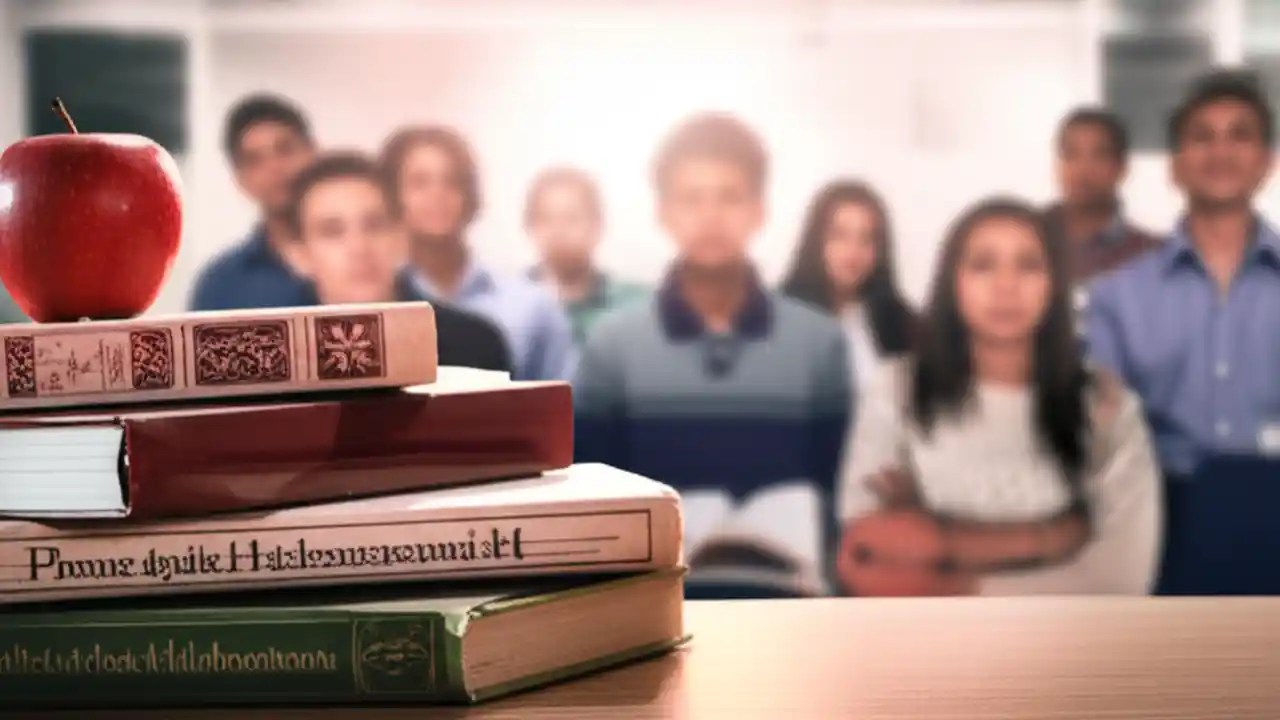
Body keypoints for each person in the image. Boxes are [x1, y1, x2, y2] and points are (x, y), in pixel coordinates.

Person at [837, 198, 1161, 596]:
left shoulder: (1105, 404)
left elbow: (1122, 578)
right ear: (952, 283)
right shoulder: (896, 388)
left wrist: (941, 545)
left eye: (1028, 265)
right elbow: (866, 553)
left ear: (1054, 284)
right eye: (983, 265)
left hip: (1067, 649)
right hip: (923, 648)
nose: (1006, 285)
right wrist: (1053, 536)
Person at [574, 113, 852, 548]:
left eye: (729, 197)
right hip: (653, 593)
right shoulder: (612, 345)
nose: (711, 215)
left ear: (759, 211)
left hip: (793, 597)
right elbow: (590, 503)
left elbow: (837, 500)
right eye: (691, 198)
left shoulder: (819, 343)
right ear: (664, 213)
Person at [1087, 70, 1280, 478]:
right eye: (1202, 137)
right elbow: (1105, 441)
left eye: (1240, 136)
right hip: (1160, 516)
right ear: (1175, 166)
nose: (1220, 152)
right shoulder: (1116, 299)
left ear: (1267, 162)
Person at [379, 126, 574, 380]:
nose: (437, 193)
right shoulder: (381, 306)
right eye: (420, 182)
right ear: (391, 196)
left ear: (470, 193)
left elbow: (563, 406)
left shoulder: (531, 305)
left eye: (452, 181)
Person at [286, 152, 510, 372]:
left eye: (374, 225)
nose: (359, 247)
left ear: (400, 238)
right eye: (332, 232)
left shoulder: (473, 343)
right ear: (300, 256)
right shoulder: (281, 357)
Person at [780, 180, 916, 390]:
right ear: (816, 240)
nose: (853, 251)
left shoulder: (900, 324)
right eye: (839, 236)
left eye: (867, 239)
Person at [190, 94, 317, 311]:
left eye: (285, 149)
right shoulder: (220, 284)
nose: (274, 168)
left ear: (313, 152)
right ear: (240, 179)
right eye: (255, 160)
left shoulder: (365, 256)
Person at [524, 167, 648, 345]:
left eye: (571, 218)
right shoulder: (502, 308)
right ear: (529, 227)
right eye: (545, 219)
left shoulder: (636, 307)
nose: (558, 231)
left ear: (598, 226)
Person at [1042, 107, 1159, 287]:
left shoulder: (1149, 254)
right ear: (1058, 165)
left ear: (1122, 168)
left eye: (1099, 156)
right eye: (1071, 154)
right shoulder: (1029, 238)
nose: (1083, 169)